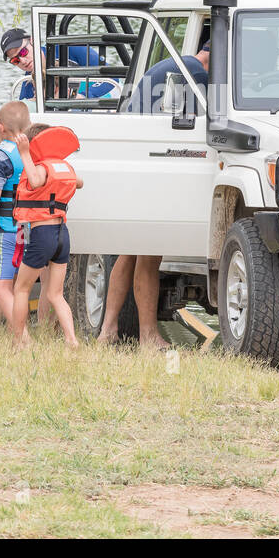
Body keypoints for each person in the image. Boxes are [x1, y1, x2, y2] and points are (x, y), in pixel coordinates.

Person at [97, 43, 210, 349]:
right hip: (150, 164)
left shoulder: (171, 65)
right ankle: (148, 335)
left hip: (134, 158)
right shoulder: (195, 72)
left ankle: (108, 330)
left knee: (129, 251)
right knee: (149, 253)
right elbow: (197, 122)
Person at [9, 123, 84, 348]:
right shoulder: (64, 167)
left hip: (42, 234)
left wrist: (24, 153)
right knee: (56, 293)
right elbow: (79, 183)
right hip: (62, 234)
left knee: (21, 288)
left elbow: (35, 180)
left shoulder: (39, 167)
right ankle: (72, 340)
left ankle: (18, 341)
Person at [0, 101, 30, 330]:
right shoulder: (31, 154)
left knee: (1, 286)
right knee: (16, 285)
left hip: (7, 231)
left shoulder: (1, 158)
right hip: (27, 230)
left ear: (1, 128)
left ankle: (23, 334)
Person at [0, 27, 119, 102]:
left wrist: (82, 97)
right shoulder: (28, 82)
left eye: (23, 52)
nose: (23, 61)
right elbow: (26, 112)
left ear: (33, 41)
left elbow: (112, 76)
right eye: (15, 60)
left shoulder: (70, 49)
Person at [123, 41, 210, 113]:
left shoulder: (179, 61)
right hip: (148, 129)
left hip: (135, 124)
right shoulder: (197, 73)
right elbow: (197, 118)